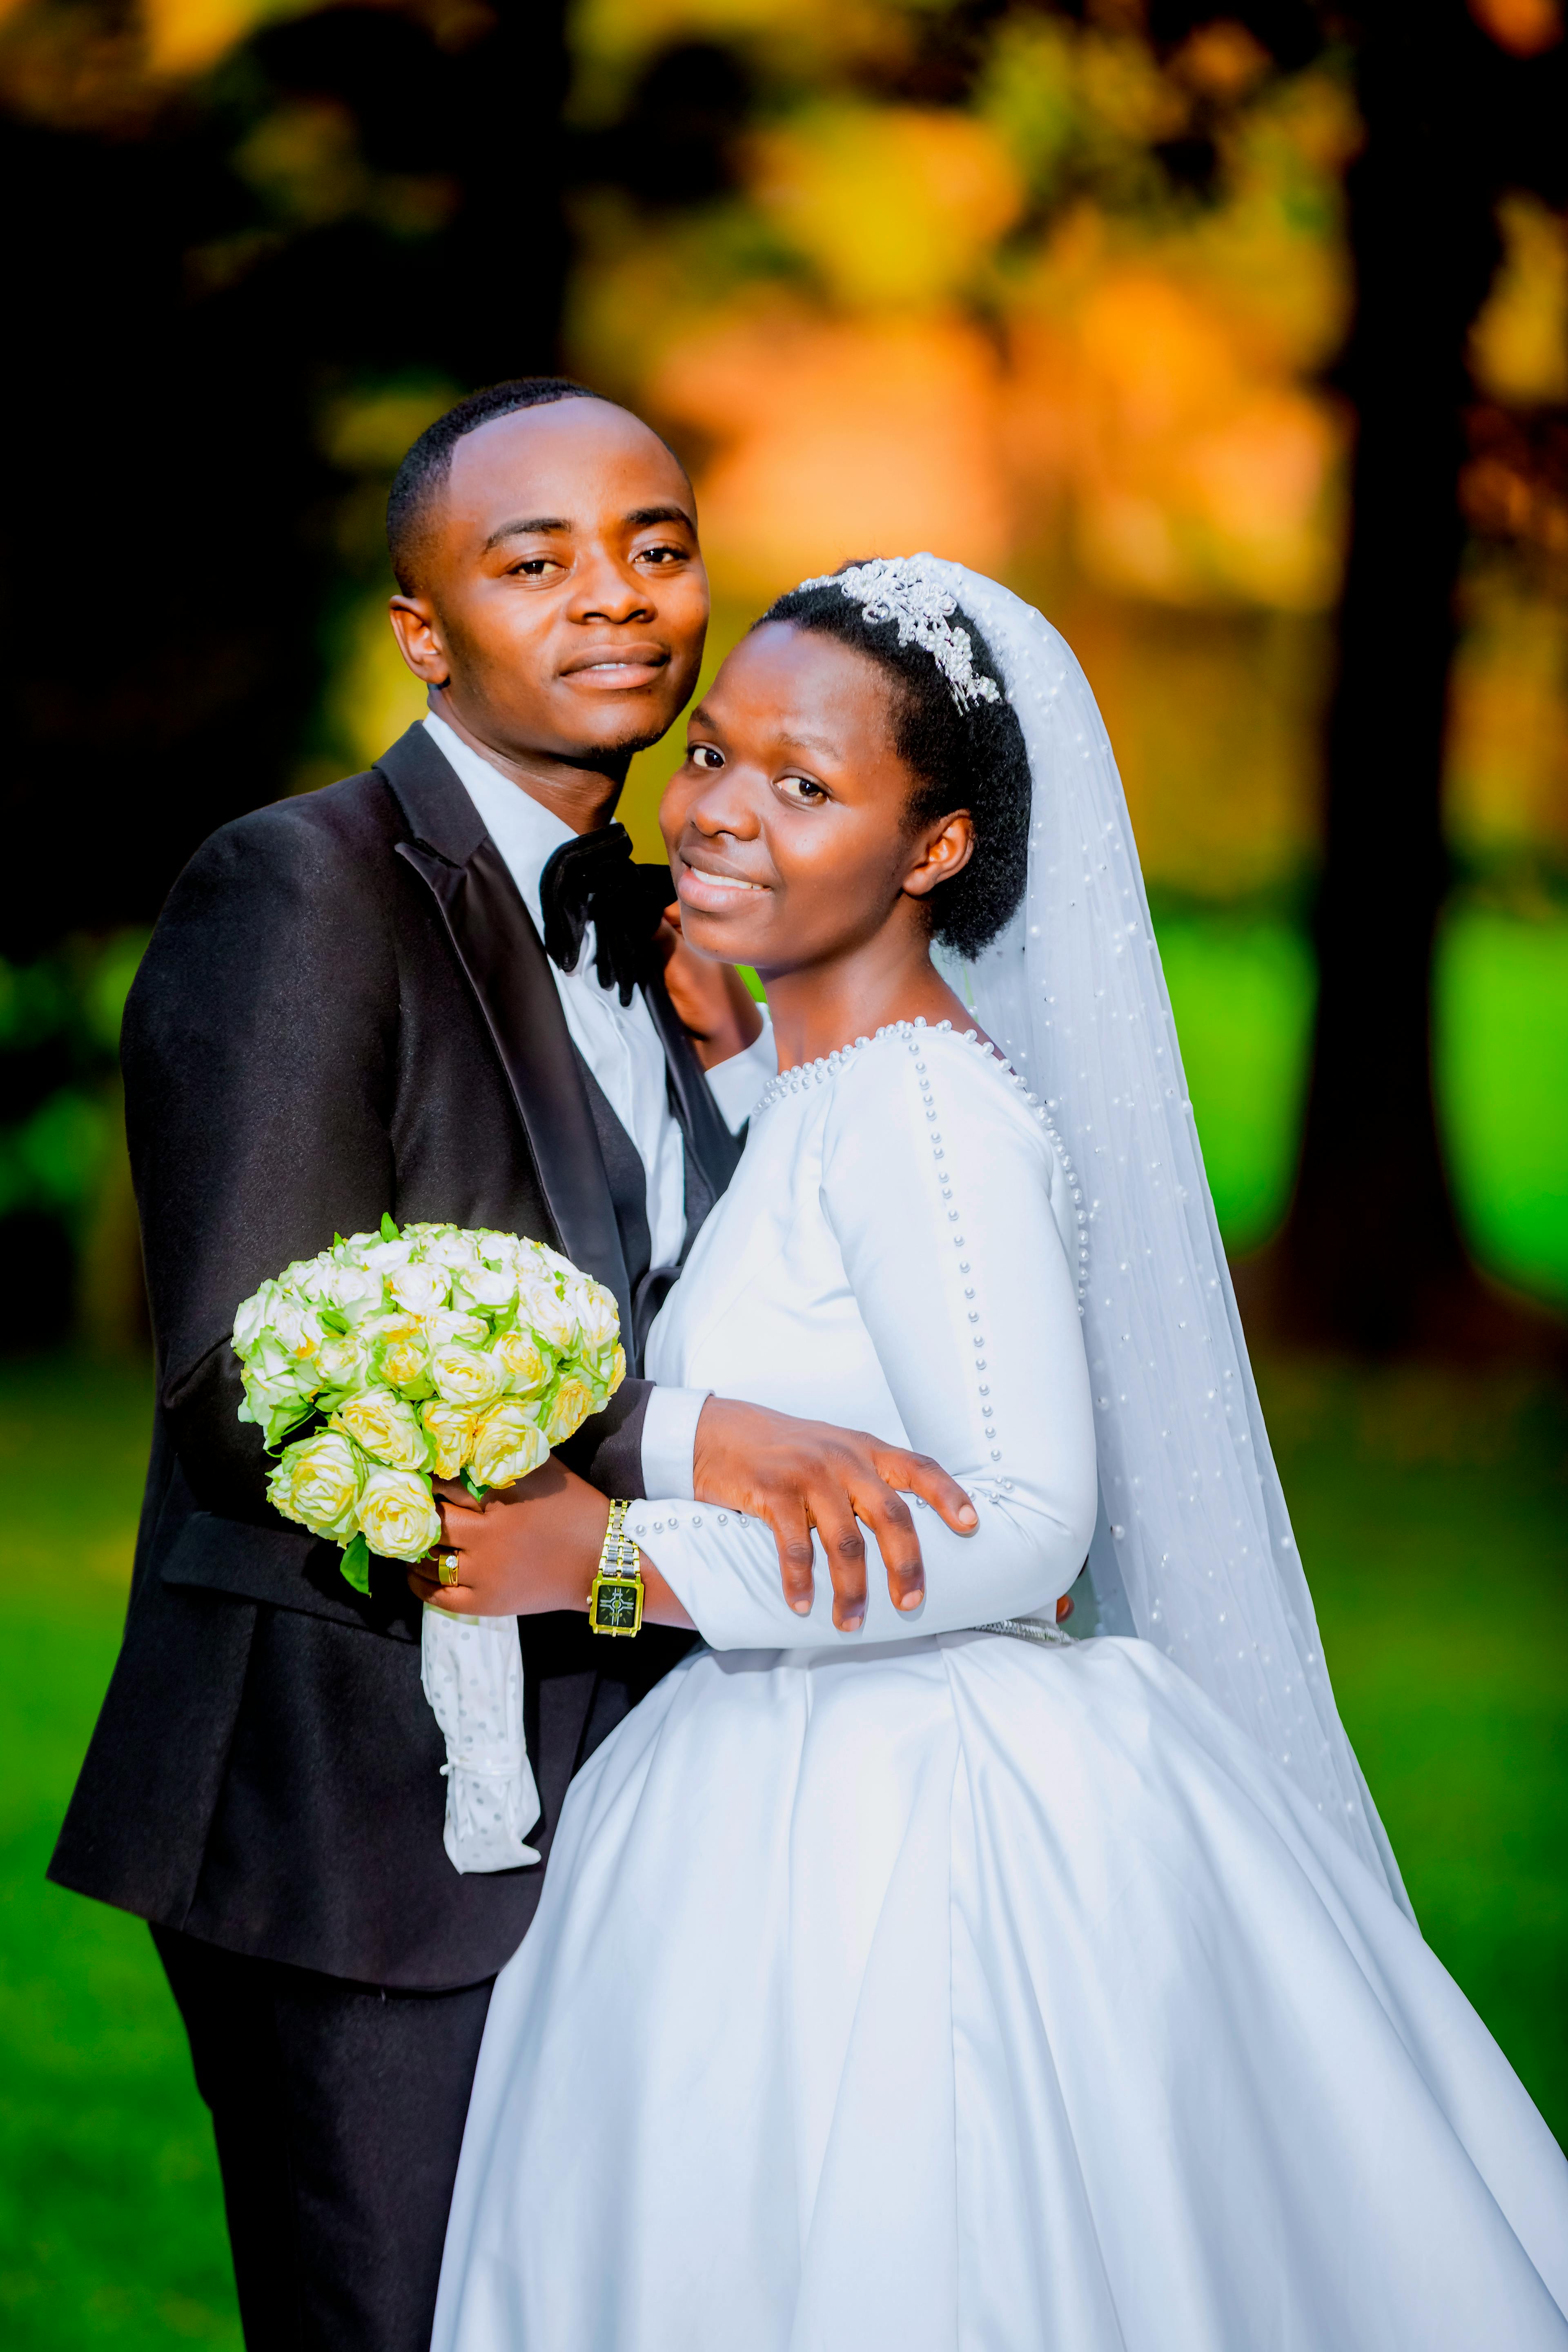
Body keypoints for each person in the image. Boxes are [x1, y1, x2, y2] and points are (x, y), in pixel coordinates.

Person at [423, 558, 1568, 2350]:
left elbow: (1028, 1523)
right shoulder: (833, 1088)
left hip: (901, 1808)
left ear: (936, 849)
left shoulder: (926, 1117)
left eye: (809, 787)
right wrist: (729, 1063)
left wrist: (610, 1562)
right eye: (717, 754)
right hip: (773, 1757)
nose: (720, 807)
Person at [47, 392, 976, 2352]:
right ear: (422, 631)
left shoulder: (697, 941)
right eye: (533, 561)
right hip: (357, 1810)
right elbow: (253, 1376)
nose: (616, 599)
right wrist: (705, 1447)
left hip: (656, 1790)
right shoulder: (300, 890)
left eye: (655, 545)